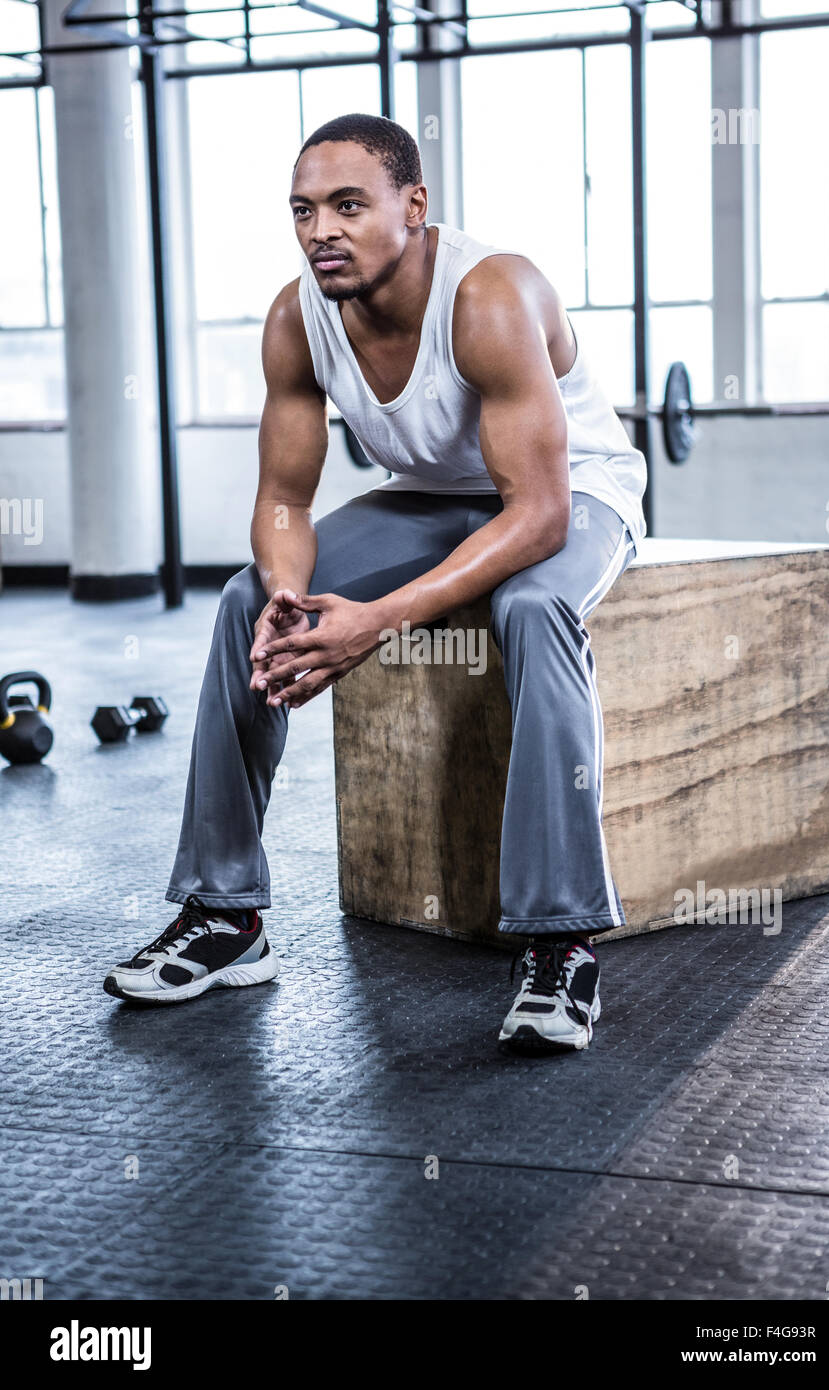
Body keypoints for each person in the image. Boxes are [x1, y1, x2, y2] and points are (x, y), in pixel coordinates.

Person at [104, 113, 646, 1054]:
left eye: (349, 206)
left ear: (415, 205)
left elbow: (539, 519)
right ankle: (226, 912)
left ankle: (561, 939)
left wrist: (377, 620)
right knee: (242, 605)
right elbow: (283, 501)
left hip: (572, 492)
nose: (322, 231)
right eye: (305, 211)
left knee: (532, 602)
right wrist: (287, 594)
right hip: (432, 498)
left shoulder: (491, 294)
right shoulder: (296, 317)